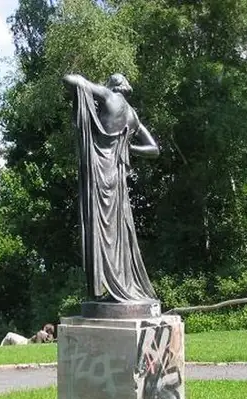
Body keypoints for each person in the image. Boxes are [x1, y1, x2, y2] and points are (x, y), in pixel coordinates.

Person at [62, 73, 159, 303]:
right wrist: (125, 146)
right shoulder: (133, 116)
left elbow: (70, 79)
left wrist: (90, 87)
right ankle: (122, 286)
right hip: (117, 175)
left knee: (102, 229)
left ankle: (114, 288)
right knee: (117, 231)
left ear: (113, 86)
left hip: (99, 169)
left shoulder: (109, 96)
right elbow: (154, 149)